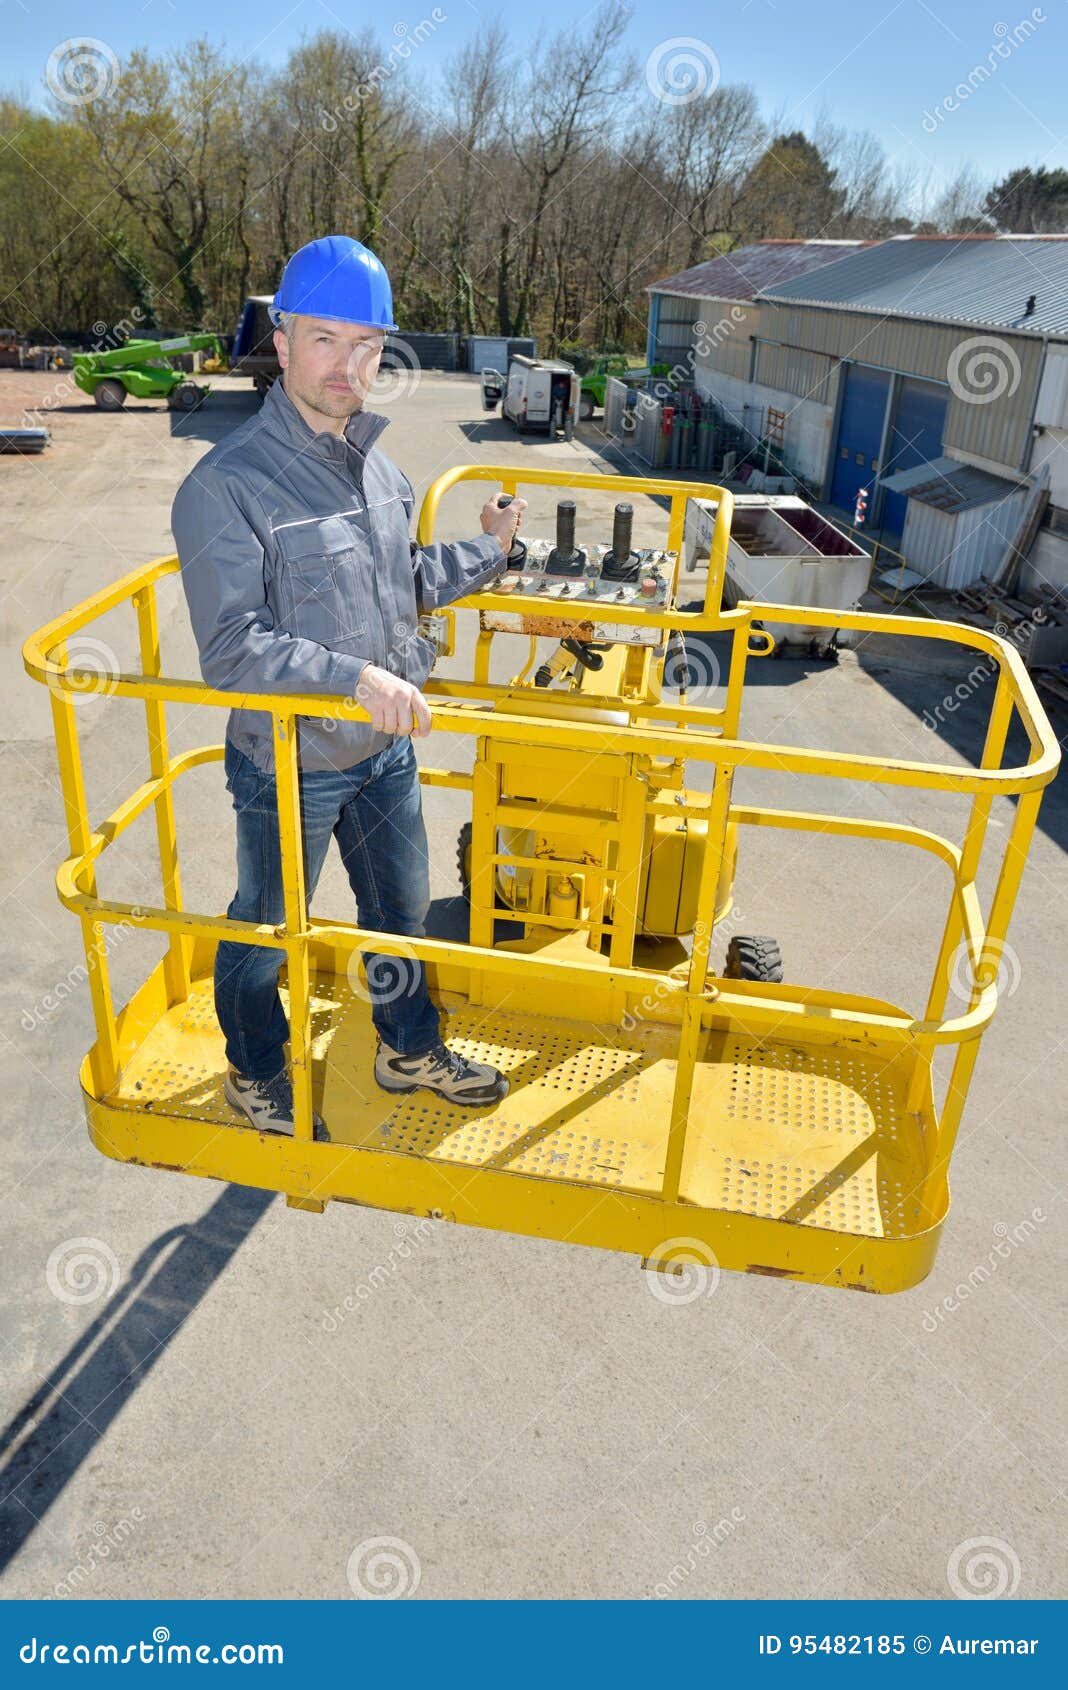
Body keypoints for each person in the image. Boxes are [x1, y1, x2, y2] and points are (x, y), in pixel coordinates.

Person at [171, 234, 526, 1136]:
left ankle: (407, 1047)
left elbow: (401, 576)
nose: (348, 364)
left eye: (367, 345)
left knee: (399, 912)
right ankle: (255, 1070)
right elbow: (231, 646)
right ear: (282, 342)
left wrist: (491, 548)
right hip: (290, 760)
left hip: (384, 754)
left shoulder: (382, 469)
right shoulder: (228, 485)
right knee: (267, 926)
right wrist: (354, 676)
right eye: (325, 339)